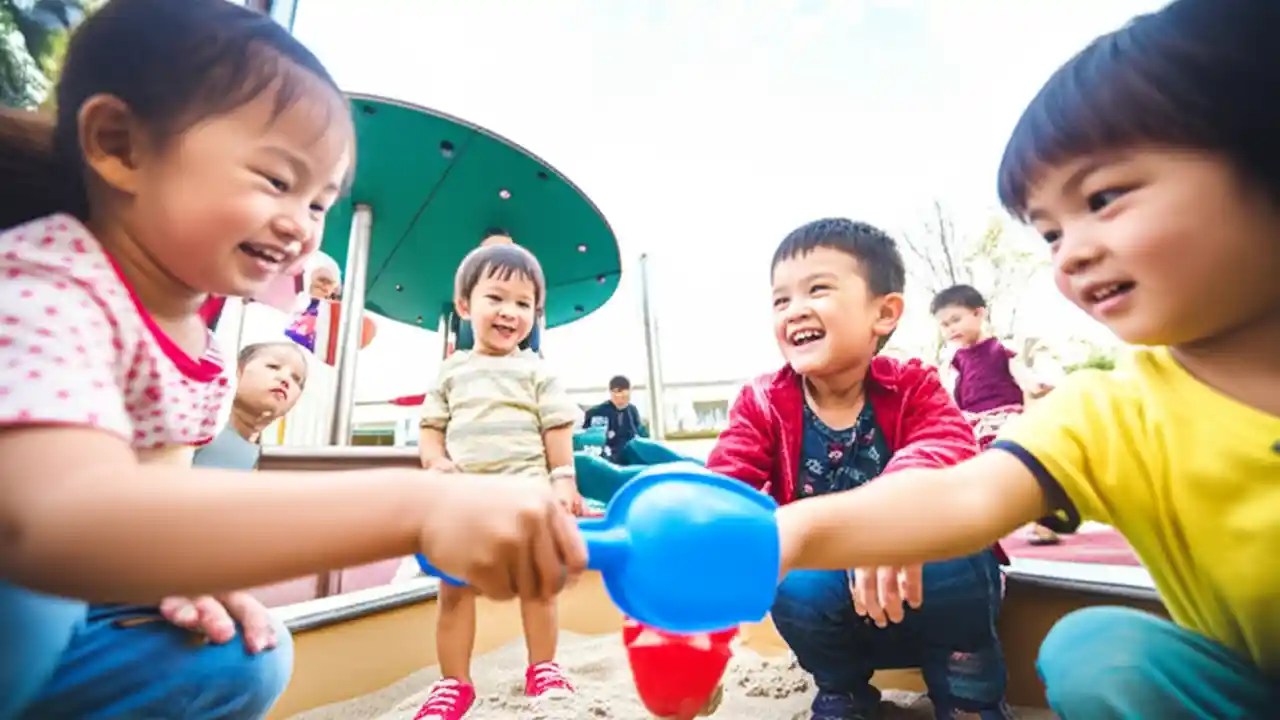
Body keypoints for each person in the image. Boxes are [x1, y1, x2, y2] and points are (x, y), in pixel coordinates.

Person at [0, 2, 585, 718]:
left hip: (65, 614)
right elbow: (55, 521)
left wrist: (172, 573)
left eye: (319, 204)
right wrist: (419, 502)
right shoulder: (45, 283)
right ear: (120, 145)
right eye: (278, 182)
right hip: (25, 594)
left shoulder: (199, 347)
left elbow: (160, 490)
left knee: (249, 654)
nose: (301, 227)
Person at [772, 1, 1280, 718]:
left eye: (1103, 197)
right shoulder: (1111, 414)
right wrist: (783, 533)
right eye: (1047, 232)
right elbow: (966, 496)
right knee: (1095, 652)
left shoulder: (915, 381)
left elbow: (938, 447)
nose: (1069, 250)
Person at [707, 219, 1013, 719]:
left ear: (884, 313)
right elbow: (725, 485)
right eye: (780, 300)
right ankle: (841, 690)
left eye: (818, 289)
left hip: (933, 598)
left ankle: (968, 694)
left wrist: (890, 521)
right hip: (836, 615)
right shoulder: (762, 401)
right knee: (785, 573)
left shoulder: (915, 385)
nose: (794, 309)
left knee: (959, 549)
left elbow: (947, 445)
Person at [415, 243, 584, 719]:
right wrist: (435, 464)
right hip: (464, 502)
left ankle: (544, 668)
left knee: (537, 587)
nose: (510, 312)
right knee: (453, 591)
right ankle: (454, 683)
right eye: (497, 298)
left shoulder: (537, 371)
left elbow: (556, 429)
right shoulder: (452, 372)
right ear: (466, 306)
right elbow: (432, 429)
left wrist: (563, 482)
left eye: (523, 303)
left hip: (526, 499)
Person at [931, 284, 1066, 546]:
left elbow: (1023, 375)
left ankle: (1043, 523)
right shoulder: (955, 360)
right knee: (975, 476)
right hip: (974, 423)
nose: (950, 329)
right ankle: (980, 528)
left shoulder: (999, 350)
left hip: (1006, 419)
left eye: (956, 320)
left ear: (978, 314)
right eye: (944, 325)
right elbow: (951, 390)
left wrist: (1038, 386)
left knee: (1023, 471)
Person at [194, 342, 310, 470]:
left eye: (296, 379)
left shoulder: (274, 466)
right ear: (238, 370)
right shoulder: (192, 424)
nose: (285, 379)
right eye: (273, 366)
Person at [582, 375, 647, 463]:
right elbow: (592, 441)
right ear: (611, 393)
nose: (621, 400)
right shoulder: (597, 412)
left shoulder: (632, 410)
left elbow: (640, 434)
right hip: (608, 459)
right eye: (617, 396)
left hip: (630, 456)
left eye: (624, 397)